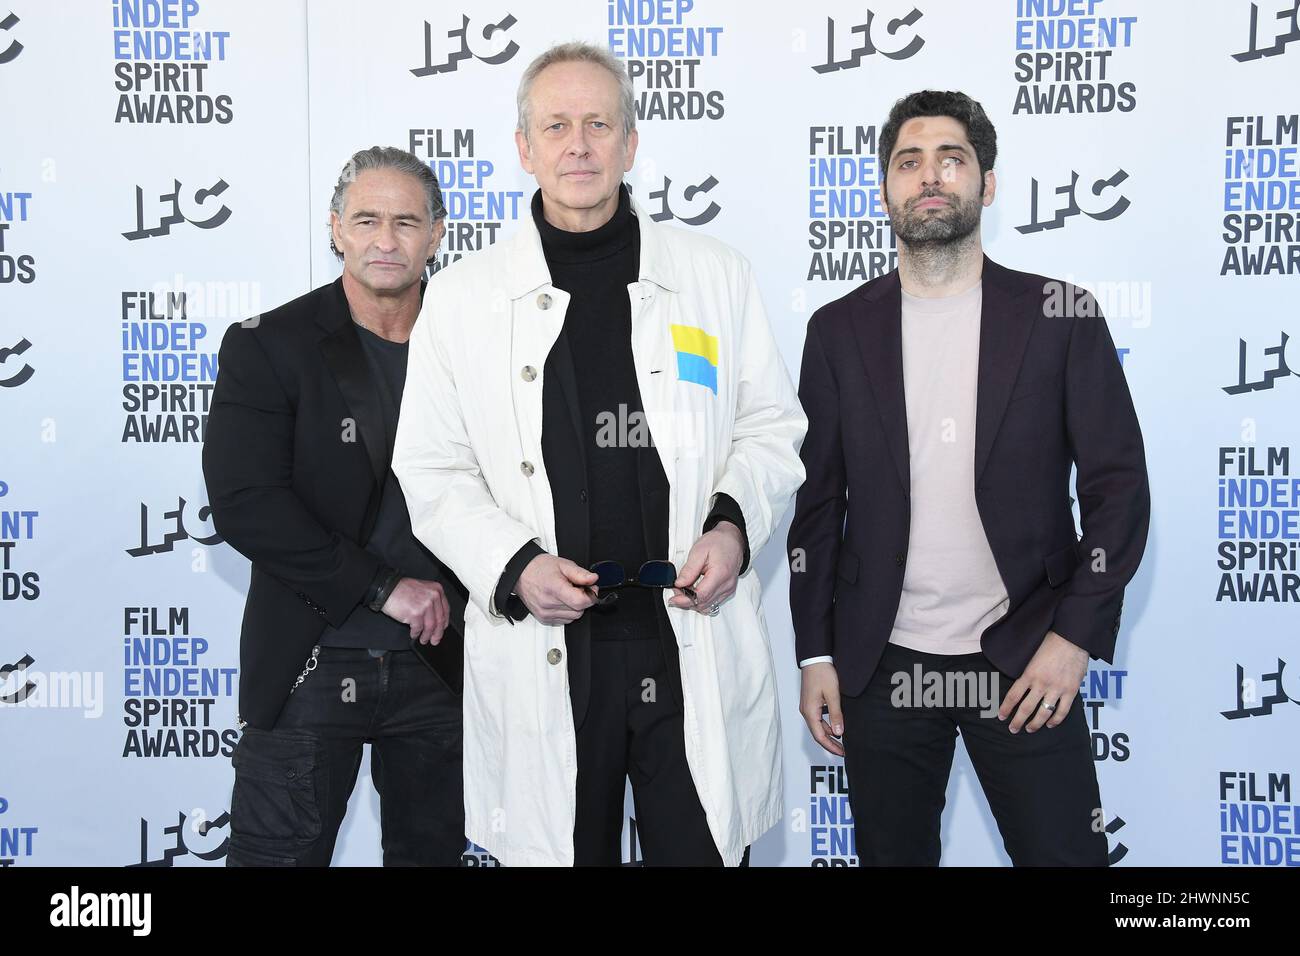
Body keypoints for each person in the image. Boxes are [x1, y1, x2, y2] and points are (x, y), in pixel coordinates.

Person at [391, 42, 806, 867]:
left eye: (597, 123)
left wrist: (730, 529)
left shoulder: (714, 277)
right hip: (548, 639)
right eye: (555, 126)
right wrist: (514, 566)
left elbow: (769, 427)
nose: (577, 145)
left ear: (630, 142)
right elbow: (431, 468)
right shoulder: (463, 297)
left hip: (685, 629)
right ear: (524, 148)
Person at [788, 90, 1150, 866]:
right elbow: (816, 508)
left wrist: (1072, 638)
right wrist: (815, 654)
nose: (929, 177)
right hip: (880, 662)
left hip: (1024, 657)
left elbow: (1118, 490)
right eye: (908, 162)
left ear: (985, 183)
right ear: (884, 188)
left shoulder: (1062, 314)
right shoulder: (837, 330)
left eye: (951, 159)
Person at [203, 146, 467, 866]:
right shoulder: (270, 345)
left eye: (407, 221)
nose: (387, 240)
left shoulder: (479, 341)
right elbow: (244, 504)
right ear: (335, 229)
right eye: (368, 220)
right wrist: (383, 588)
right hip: (311, 662)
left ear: (438, 233)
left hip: (446, 669)